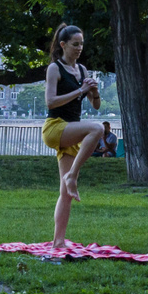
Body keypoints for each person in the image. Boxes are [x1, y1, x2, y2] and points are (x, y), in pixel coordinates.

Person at [42, 24, 105, 248]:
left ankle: (58, 241)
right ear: (63, 45)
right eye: (75, 44)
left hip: (70, 130)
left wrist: (93, 91)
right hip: (55, 127)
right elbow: (50, 102)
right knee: (97, 129)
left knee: (65, 194)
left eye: (81, 44)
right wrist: (79, 90)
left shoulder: (82, 70)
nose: (79, 48)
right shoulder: (55, 68)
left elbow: (95, 105)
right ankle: (73, 176)